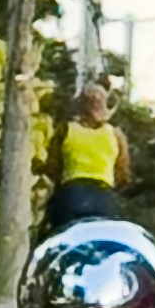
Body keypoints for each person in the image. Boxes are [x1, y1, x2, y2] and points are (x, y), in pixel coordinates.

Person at [45, 80, 134, 234]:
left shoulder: (66, 130)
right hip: (103, 197)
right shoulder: (115, 135)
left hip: (71, 195)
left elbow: (52, 168)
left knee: (55, 236)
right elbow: (123, 174)